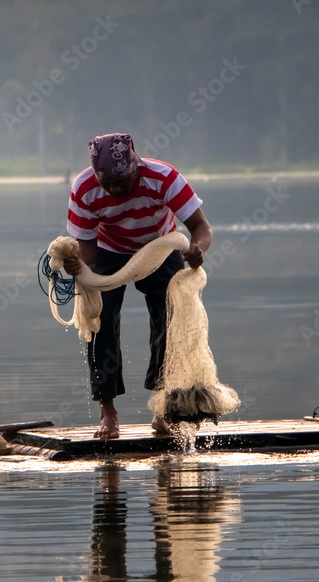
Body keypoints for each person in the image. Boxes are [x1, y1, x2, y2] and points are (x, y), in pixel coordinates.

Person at [63, 133, 212, 440]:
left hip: (161, 245)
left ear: (136, 167)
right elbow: (87, 247)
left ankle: (162, 408)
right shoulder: (84, 188)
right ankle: (108, 412)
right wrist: (78, 263)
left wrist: (197, 249)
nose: (116, 189)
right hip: (109, 249)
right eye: (109, 184)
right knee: (99, 322)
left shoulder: (164, 178)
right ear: (97, 177)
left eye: (123, 181)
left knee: (169, 321)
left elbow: (200, 227)